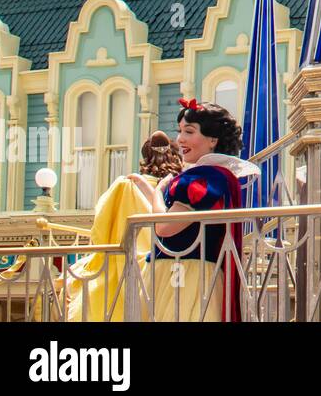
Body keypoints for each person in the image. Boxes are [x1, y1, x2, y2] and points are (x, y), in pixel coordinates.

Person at [129, 100, 259, 321]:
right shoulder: (216, 175)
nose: (180, 139)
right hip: (188, 271)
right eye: (180, 131)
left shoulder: (203, 179)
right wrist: (150, 190)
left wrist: (159, 192)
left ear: (212, 140)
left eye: (189, 131)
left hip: (184, 275)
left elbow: (164, 226)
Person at [63, 131, 183, 321]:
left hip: (126, 263)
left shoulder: (127, 185)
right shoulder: (180, 187)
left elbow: (101, 228)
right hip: (170, 266)